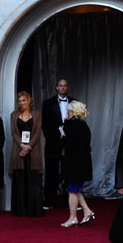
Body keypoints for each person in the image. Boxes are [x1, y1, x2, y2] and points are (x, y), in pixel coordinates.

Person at [61, 101, 96, 227]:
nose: (67, 112)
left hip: (73, 162)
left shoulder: (69, 125)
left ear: (73, 112)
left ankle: (73, 218)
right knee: (75, 189)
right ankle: (87, 211)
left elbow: (69, 145)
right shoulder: (84, 125)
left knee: (72, 190)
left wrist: (63, 137)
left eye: (69, 110)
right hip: (83, 162)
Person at [9, 91, 44, 217]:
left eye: (24, 100)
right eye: (20, 101)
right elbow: (13, 133)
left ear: (29, 100)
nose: (22, 103)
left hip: (33, 151)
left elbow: (38, 132)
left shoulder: (37, 114)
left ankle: (34, 210)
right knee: (20, 179)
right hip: (19, 150)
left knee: (33, 179)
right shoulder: (14, 115)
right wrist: (22, 146)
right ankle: (21, 210)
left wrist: (29, 146)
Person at [42, 78, 74, 208]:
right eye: (60, 86)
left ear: (67, 87)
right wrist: (54, 137)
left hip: (70, 142)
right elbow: (45, 124)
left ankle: (70, 201)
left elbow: (78, 122)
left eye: (65, 86)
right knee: (51, 171)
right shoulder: (48, 103)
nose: (63, 88)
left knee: (70, 171)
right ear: (56, 88)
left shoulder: (74, 102)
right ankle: (49, 200)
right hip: (53, 143)